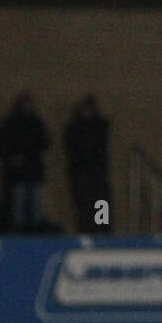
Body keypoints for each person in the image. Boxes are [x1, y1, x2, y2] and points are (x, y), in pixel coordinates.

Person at [0, 92, 50, 231]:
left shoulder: (36, 123)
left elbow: (46, 143)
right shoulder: (10, 124)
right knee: (18, 207)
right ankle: (20, 234)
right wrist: (12, 157)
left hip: (34, 172)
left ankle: (35, 234)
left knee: (35, 206)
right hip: (17, 174)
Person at [64, 95, 110, 233]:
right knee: (84, 202)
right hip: (81, 171)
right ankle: (86, 228)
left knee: (101, 201)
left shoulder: (99, 126)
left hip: (97, 170)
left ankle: (102, 228)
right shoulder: (75, 127)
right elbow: (70, 147)